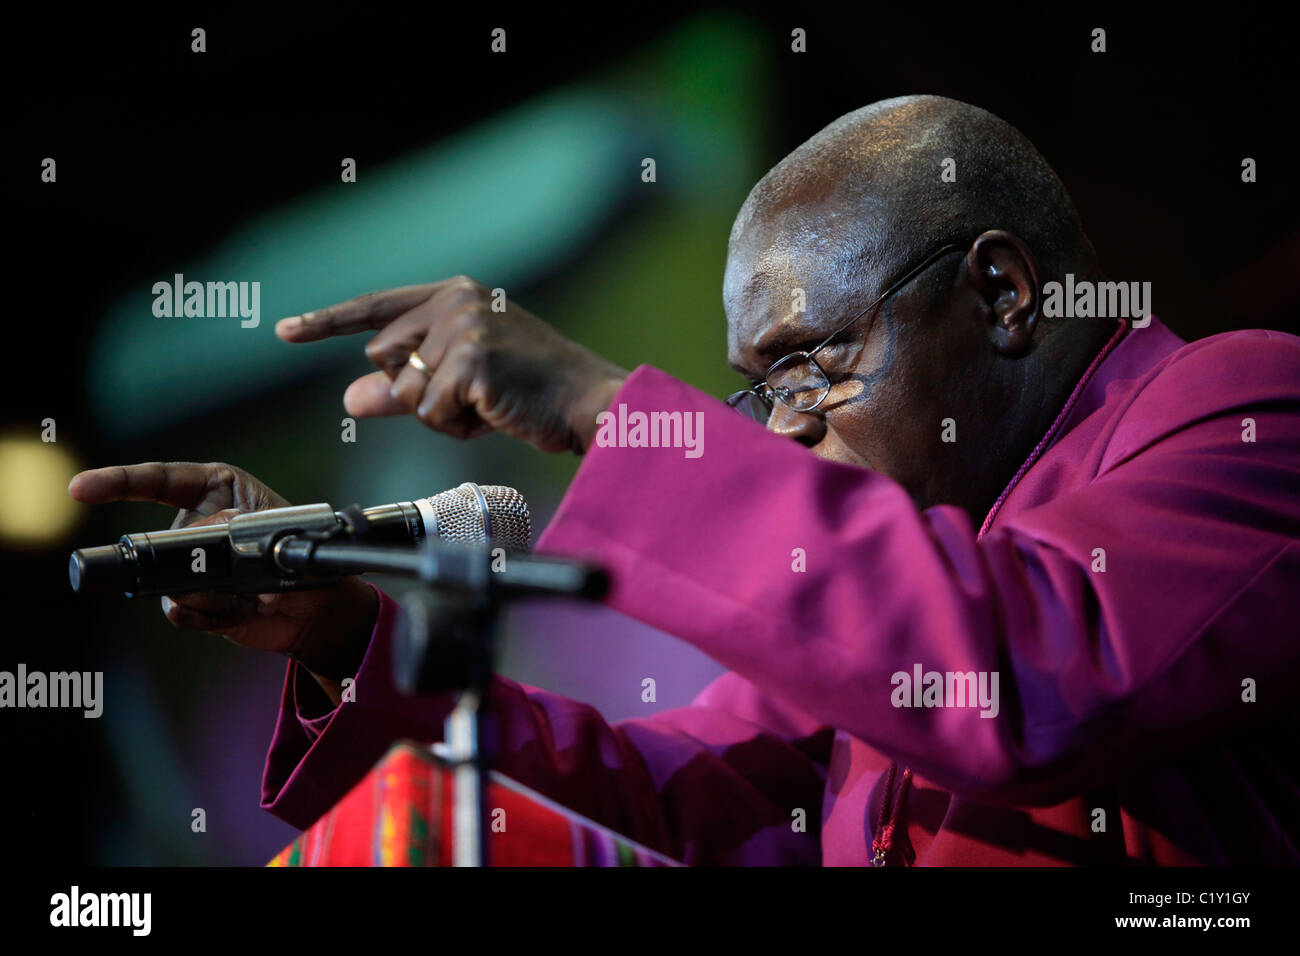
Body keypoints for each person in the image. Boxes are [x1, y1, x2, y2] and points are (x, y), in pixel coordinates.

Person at [70, 95, 1300, 865]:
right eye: (758, 392)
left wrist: (610, 413)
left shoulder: (1243, 403)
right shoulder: (905, 571)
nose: (790, 429)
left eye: (811, 366)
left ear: (1000, 293)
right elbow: (662, 795)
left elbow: (1025, 676)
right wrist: (351, 636)